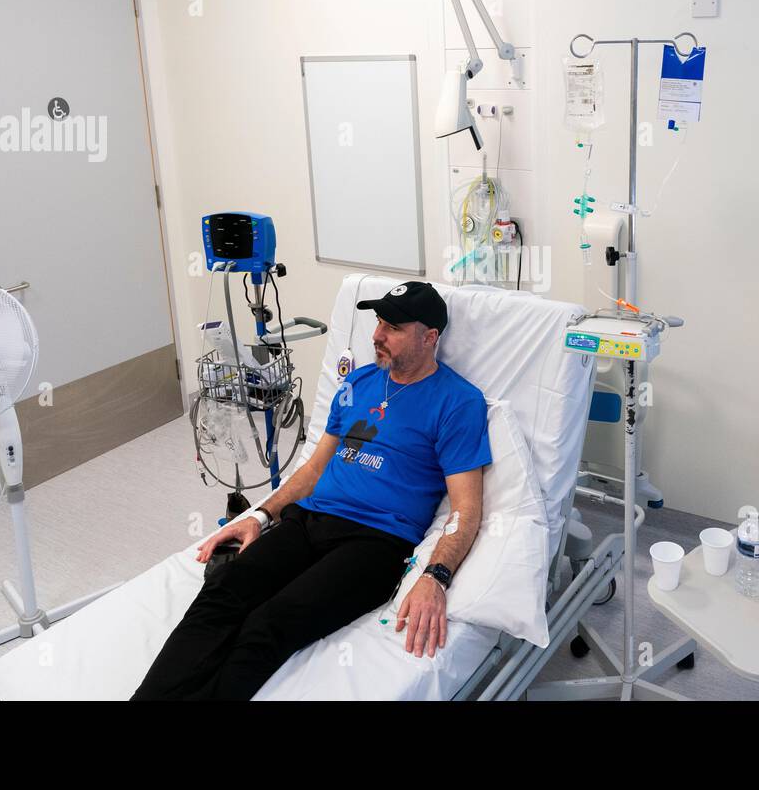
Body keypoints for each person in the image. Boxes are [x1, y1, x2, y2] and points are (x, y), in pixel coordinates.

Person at [132, 281, 490, 700]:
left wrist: (436, 576)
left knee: (269, 624)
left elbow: (465, 509)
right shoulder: (358, 383)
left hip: (376, 543)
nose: (376, 335)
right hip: (309, 521)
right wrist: (261, 516)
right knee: (222, 594)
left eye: (392, 327)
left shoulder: (458, 402)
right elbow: (314, 467)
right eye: (377, 322)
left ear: (429, 337)